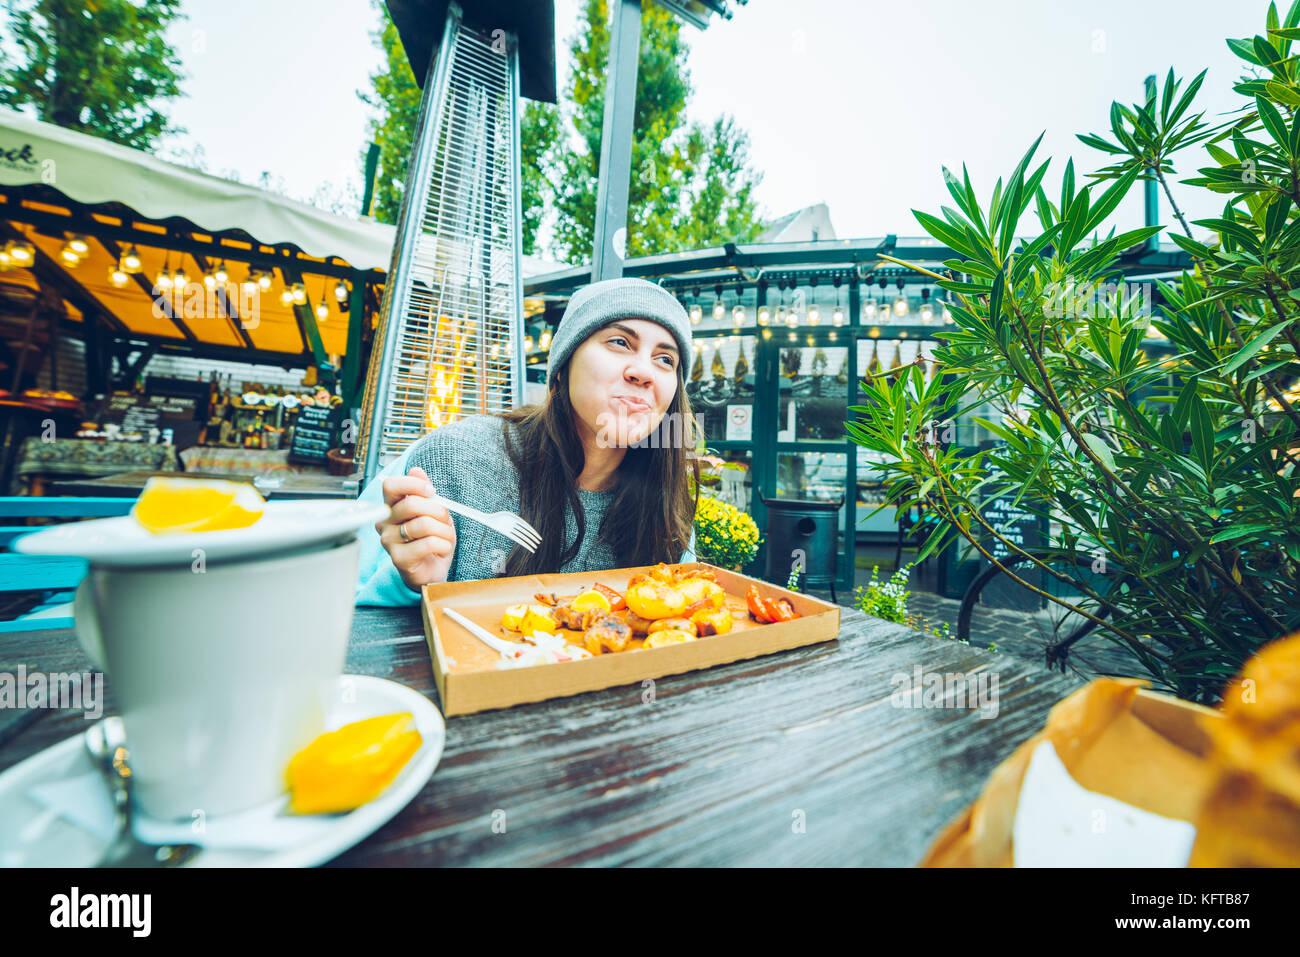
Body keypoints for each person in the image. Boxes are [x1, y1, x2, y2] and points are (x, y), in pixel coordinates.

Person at [355, 277, 700, 605]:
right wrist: (418, 586)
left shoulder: (662, 508)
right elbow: (344, 602)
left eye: (665, 360)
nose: (643, 372)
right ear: (563, 365)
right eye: (620, 342)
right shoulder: (456, 458)